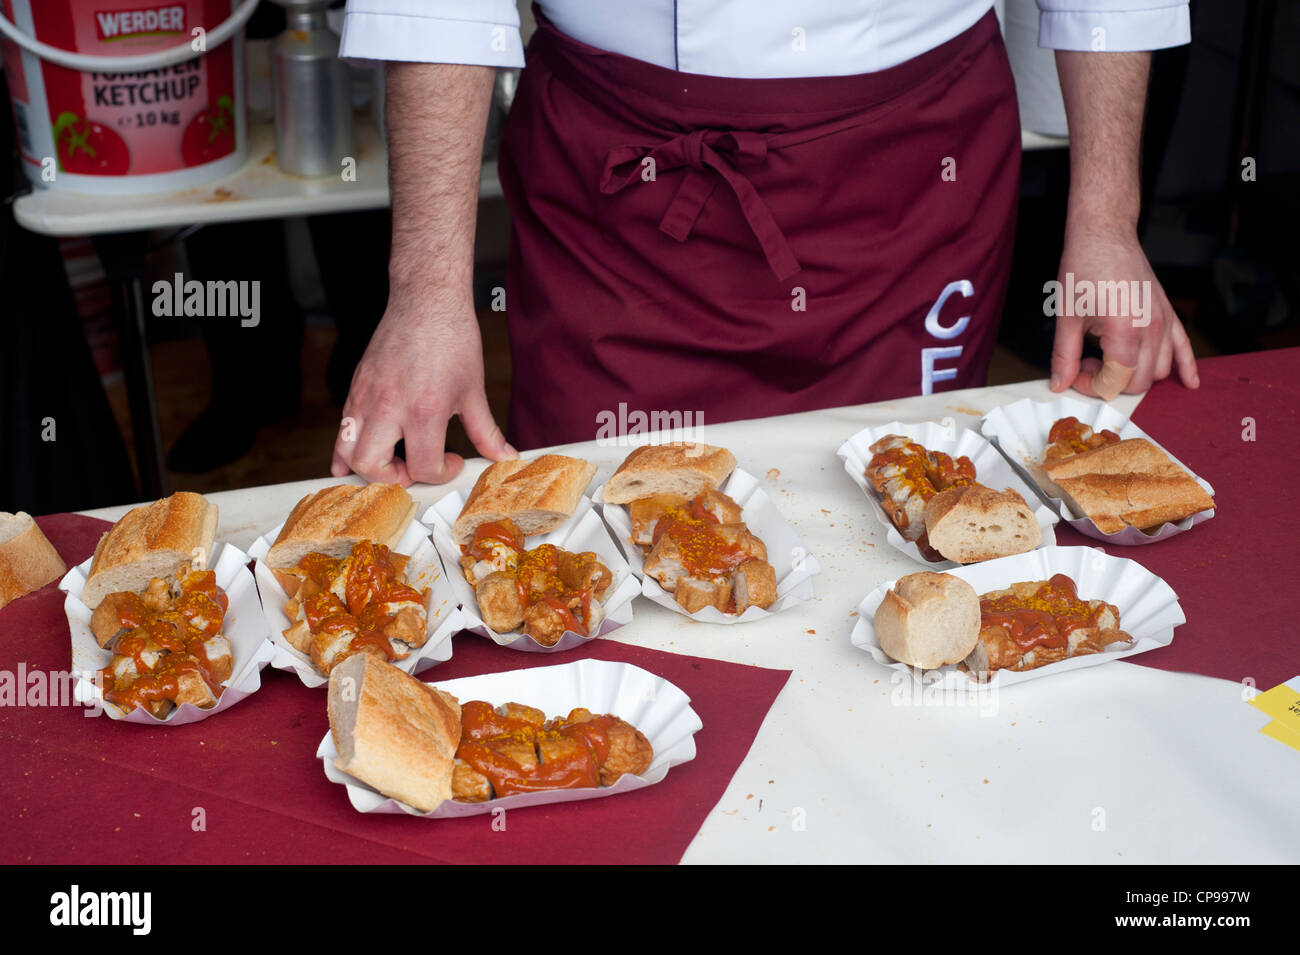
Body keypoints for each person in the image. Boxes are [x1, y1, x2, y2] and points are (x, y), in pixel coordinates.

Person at [332, 0, 1198, 486]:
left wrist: (1108, 218)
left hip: (906, 175)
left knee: (902, 513)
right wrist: (426, 292)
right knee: (600, 535)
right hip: (621, 192)